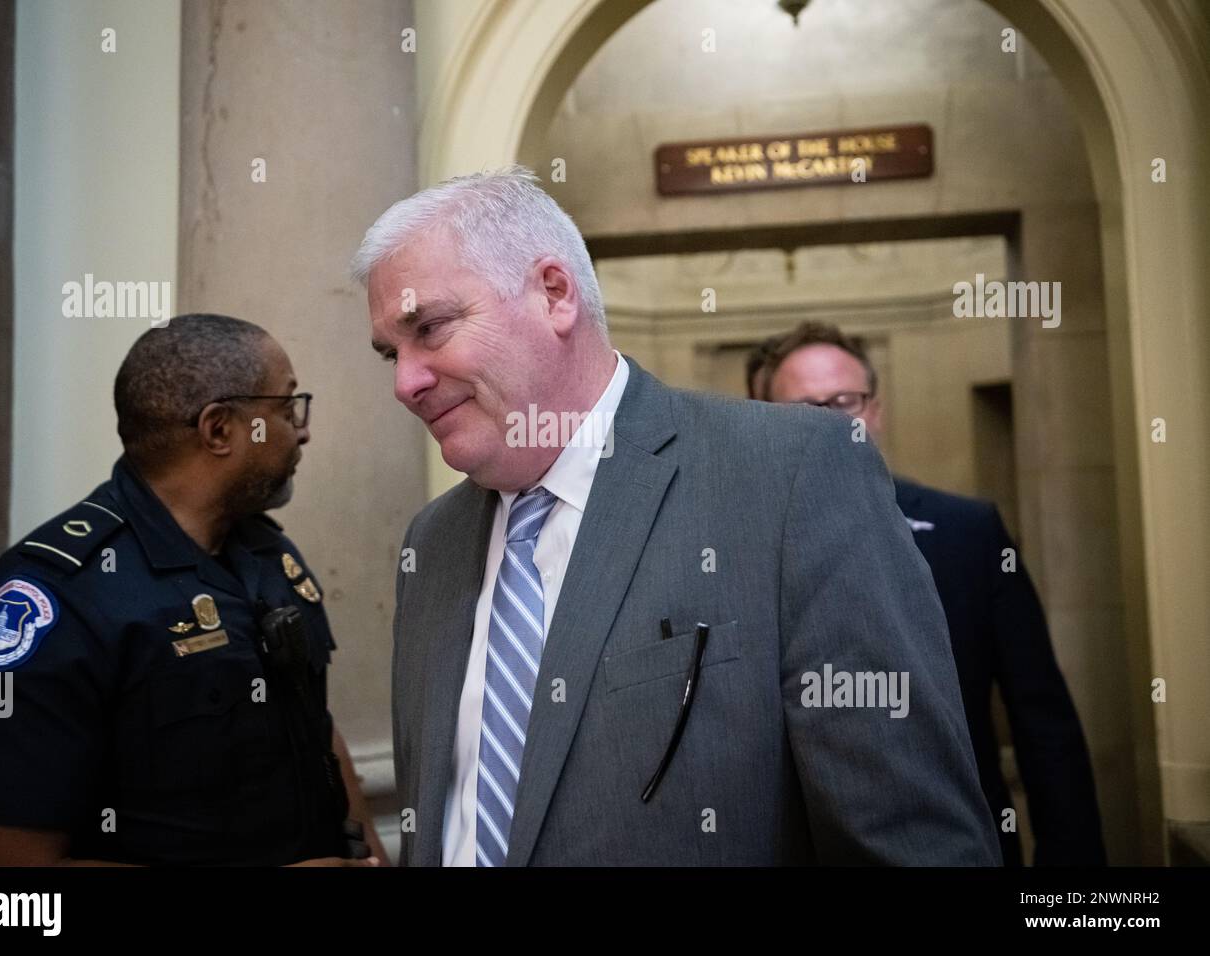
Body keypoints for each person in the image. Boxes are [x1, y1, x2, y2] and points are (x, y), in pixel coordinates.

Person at [353, 166, 999, 866]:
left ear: (554, 293)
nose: (405, 382)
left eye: (431, 328)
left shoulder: (789, 477)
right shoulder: (433, 543)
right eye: (392, 351)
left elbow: (914, 842)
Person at [0, 313, 384, 866]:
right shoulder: (55, 601)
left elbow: (316, 730)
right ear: (219, 430)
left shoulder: (267, 555)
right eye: (287, 407)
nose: (303, 427)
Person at [757, 320, 1106, 866]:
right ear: (764, 425)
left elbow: (1042, 721)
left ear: (874, 410)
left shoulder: (969, 531)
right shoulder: (741, 543)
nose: (828, 425)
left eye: (843, 402)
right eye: (805, 410)